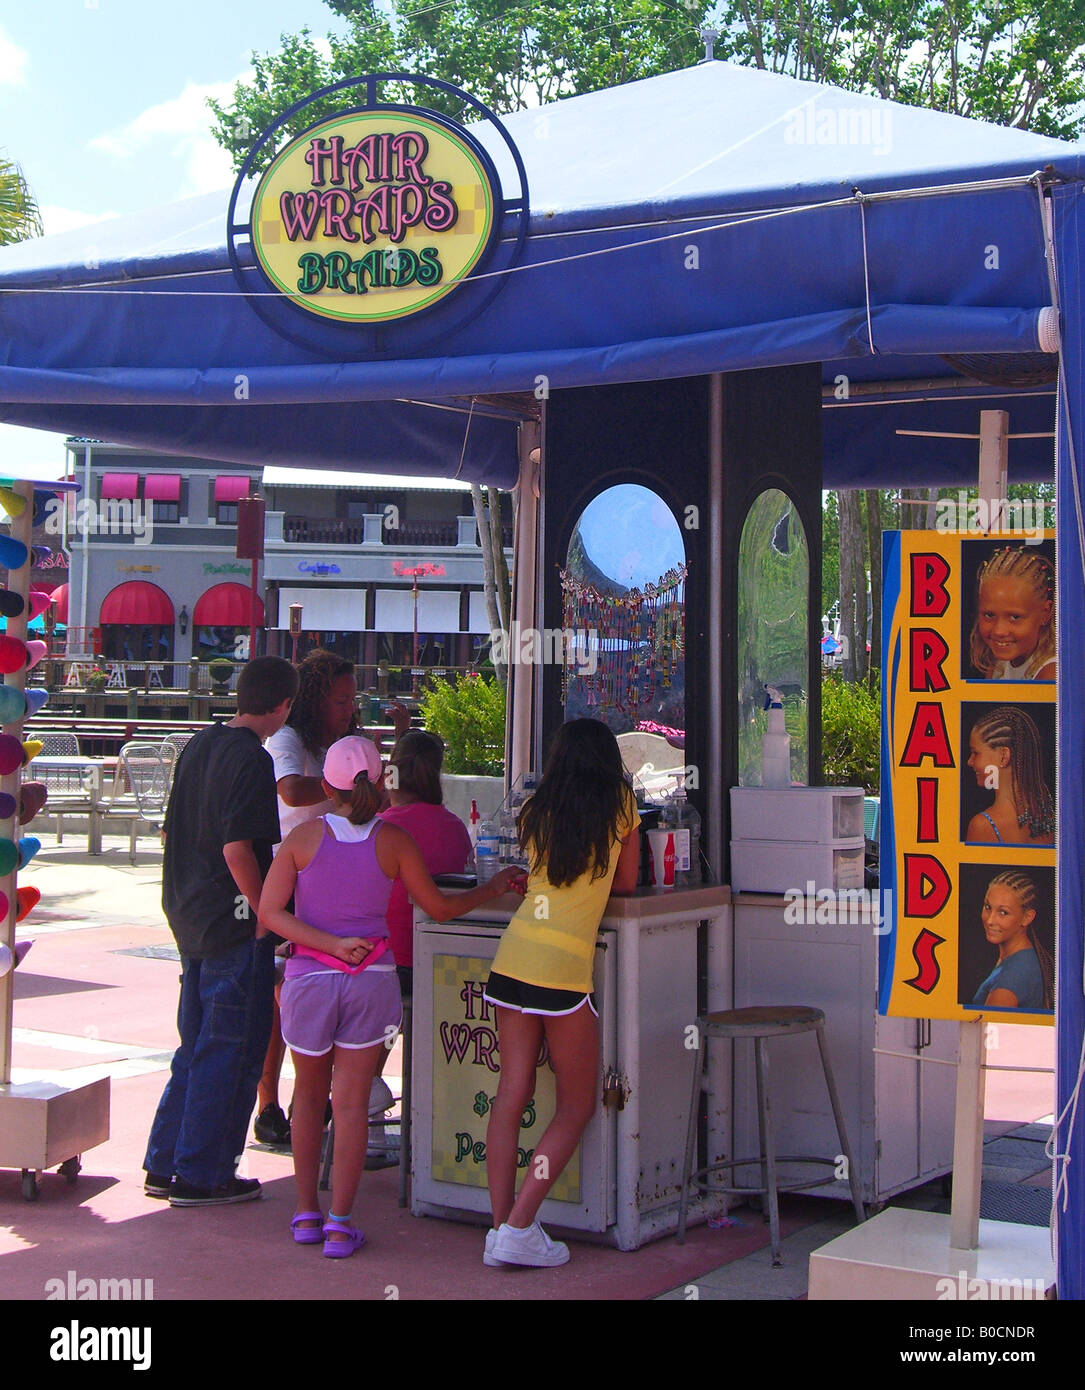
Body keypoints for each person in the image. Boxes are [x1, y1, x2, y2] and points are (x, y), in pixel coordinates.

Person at [258, 735, 524, 1257]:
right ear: (381, 782)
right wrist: (496, 888)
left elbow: (270, 913)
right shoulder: (394, 842)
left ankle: (305, 1212)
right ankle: (340, 1224)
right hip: (373, 981)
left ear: (327, 787)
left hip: (310, 981)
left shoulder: (302, 840)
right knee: (353, 1104)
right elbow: (441, 909)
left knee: (308, 1097)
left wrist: (328, 943)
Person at [483, 718, 641, 1268]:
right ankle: (522, 1225)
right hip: (563, 970)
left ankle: (500, 1225)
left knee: (511, 1095)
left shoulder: (535, 808)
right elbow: (624, 883)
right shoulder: (621, 804)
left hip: (514, 956)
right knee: (575, 1106)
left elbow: (540, 875)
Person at [143, 655, 299, 1206]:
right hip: (232, 921)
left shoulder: (198, 745)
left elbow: (172, 831)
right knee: (230, 1046)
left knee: (195, 1043)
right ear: (283, 706)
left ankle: (166, 1161)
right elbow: (240, 849)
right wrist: (265, 913)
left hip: (188, 912)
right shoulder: (253, 761)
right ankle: (204, 1171)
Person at [254, 650, 408, 1145]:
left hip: (330, 875)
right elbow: (291, 792)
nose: (348, 707)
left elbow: (382, 788)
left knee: (306, 994)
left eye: (352, 699)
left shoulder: (339, 743)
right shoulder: (290, 739)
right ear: (316, 698)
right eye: (340, 699)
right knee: (282, 999)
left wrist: (390, 751)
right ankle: (270, 1103)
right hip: (291, 872)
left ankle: (308, 1101)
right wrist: (342, 788)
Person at [380, 730, 473, 997]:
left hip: (384, 962)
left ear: (390, 774)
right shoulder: (454, 827)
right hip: (441, 962)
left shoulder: (379, 830)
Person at [964, 706, 1054, 845]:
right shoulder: (1050, 819)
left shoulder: (982, 826)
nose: (969, 762)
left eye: (976, 753)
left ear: (1003, 756)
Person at [970, 870, 1054, 1012]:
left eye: (1003, 912)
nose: (990, 920)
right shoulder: (1022, 959)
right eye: (988, 907)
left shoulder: (1012, 976)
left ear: (1027, 917)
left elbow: (992, 1032)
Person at [969, 546, 1056, 680]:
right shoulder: (999, 660)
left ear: (1045, 613)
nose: (999, 631)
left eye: (1015, 617)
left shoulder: (1051, 672)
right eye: (989, 615)